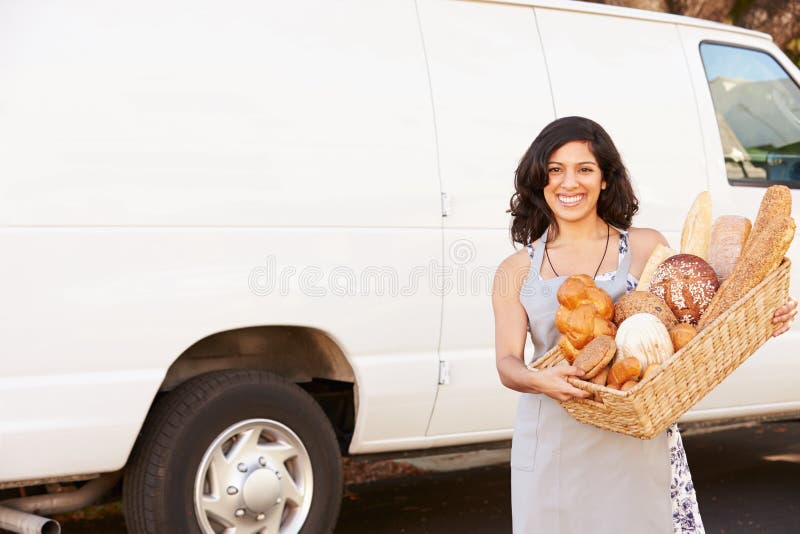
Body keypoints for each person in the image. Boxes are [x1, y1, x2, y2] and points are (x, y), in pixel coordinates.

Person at [491, 116, 798, 533]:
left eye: (584, 169)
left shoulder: (645, 247)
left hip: (635, 437)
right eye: (555, 170)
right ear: (539, 180)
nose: (569, 183)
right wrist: (539, 380)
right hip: (552, 439)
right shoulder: (514, 270)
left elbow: (695, 326)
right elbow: (507, 362)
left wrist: (762, 317)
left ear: (604, 179)